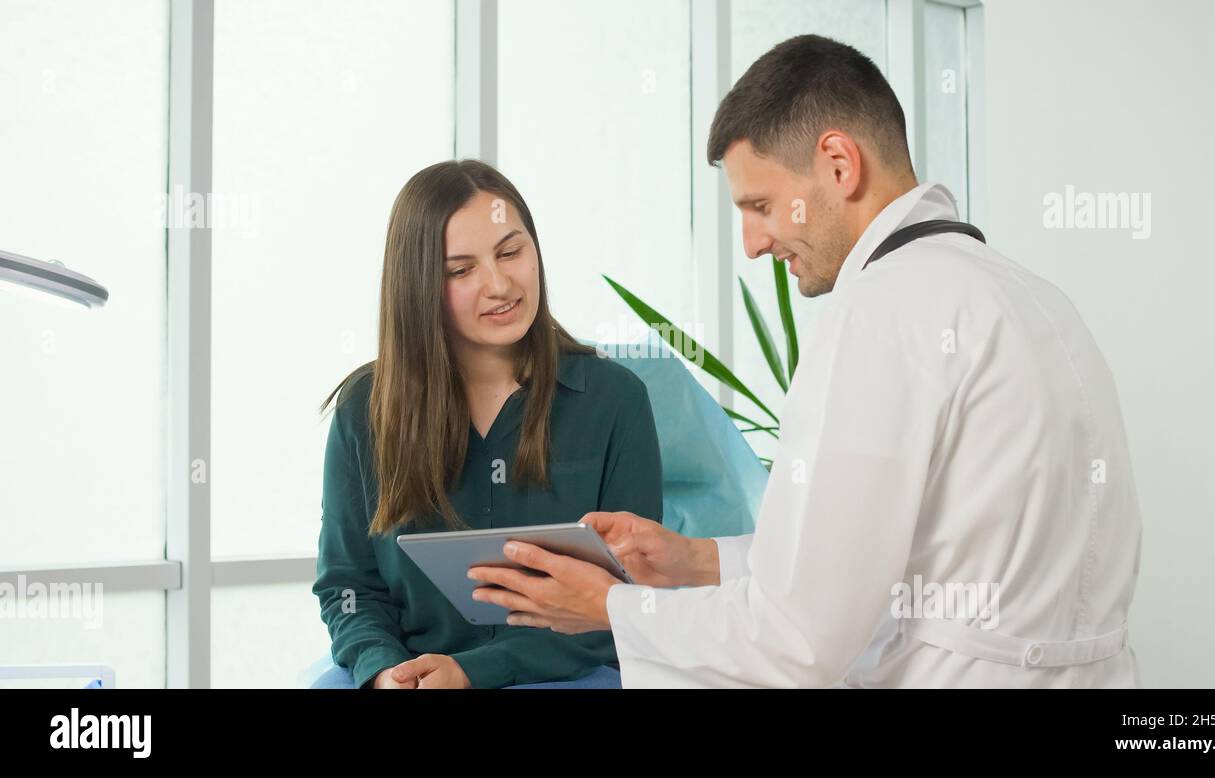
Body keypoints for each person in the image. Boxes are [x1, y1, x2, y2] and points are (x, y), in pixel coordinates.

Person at [467, 35, 1143, 688]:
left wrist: (606, 608)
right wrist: (696, 560)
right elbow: (896, 562)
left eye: (759, 206)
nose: (753, 243)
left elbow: (798, 641)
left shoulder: (880, 312)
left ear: (839, 164)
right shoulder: (1037, 300)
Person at [313, 160, 663, 689]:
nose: (499, 285)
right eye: (461, 270)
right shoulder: (365, 408)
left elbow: (629, 597)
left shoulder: (615, 400)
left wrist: (472, 672)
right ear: (419, 286)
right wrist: (385, 671)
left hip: (571, 674)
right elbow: (350, 585)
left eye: (510, 252)